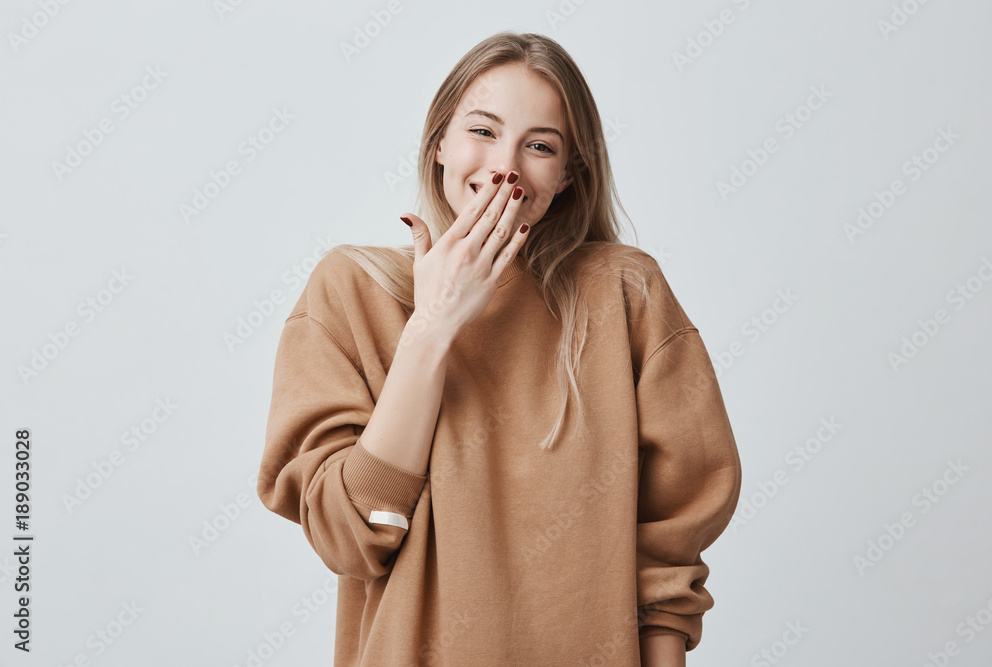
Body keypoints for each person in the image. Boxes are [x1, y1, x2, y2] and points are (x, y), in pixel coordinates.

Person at [257, 31, 742, 667]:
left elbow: (668, 556)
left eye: (539, 145)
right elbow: (350, 537)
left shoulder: (627, 293)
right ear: (439, 143)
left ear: (568, 174)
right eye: (482, 131)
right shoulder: (352, 290)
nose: (505, 166)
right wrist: (432, 325)